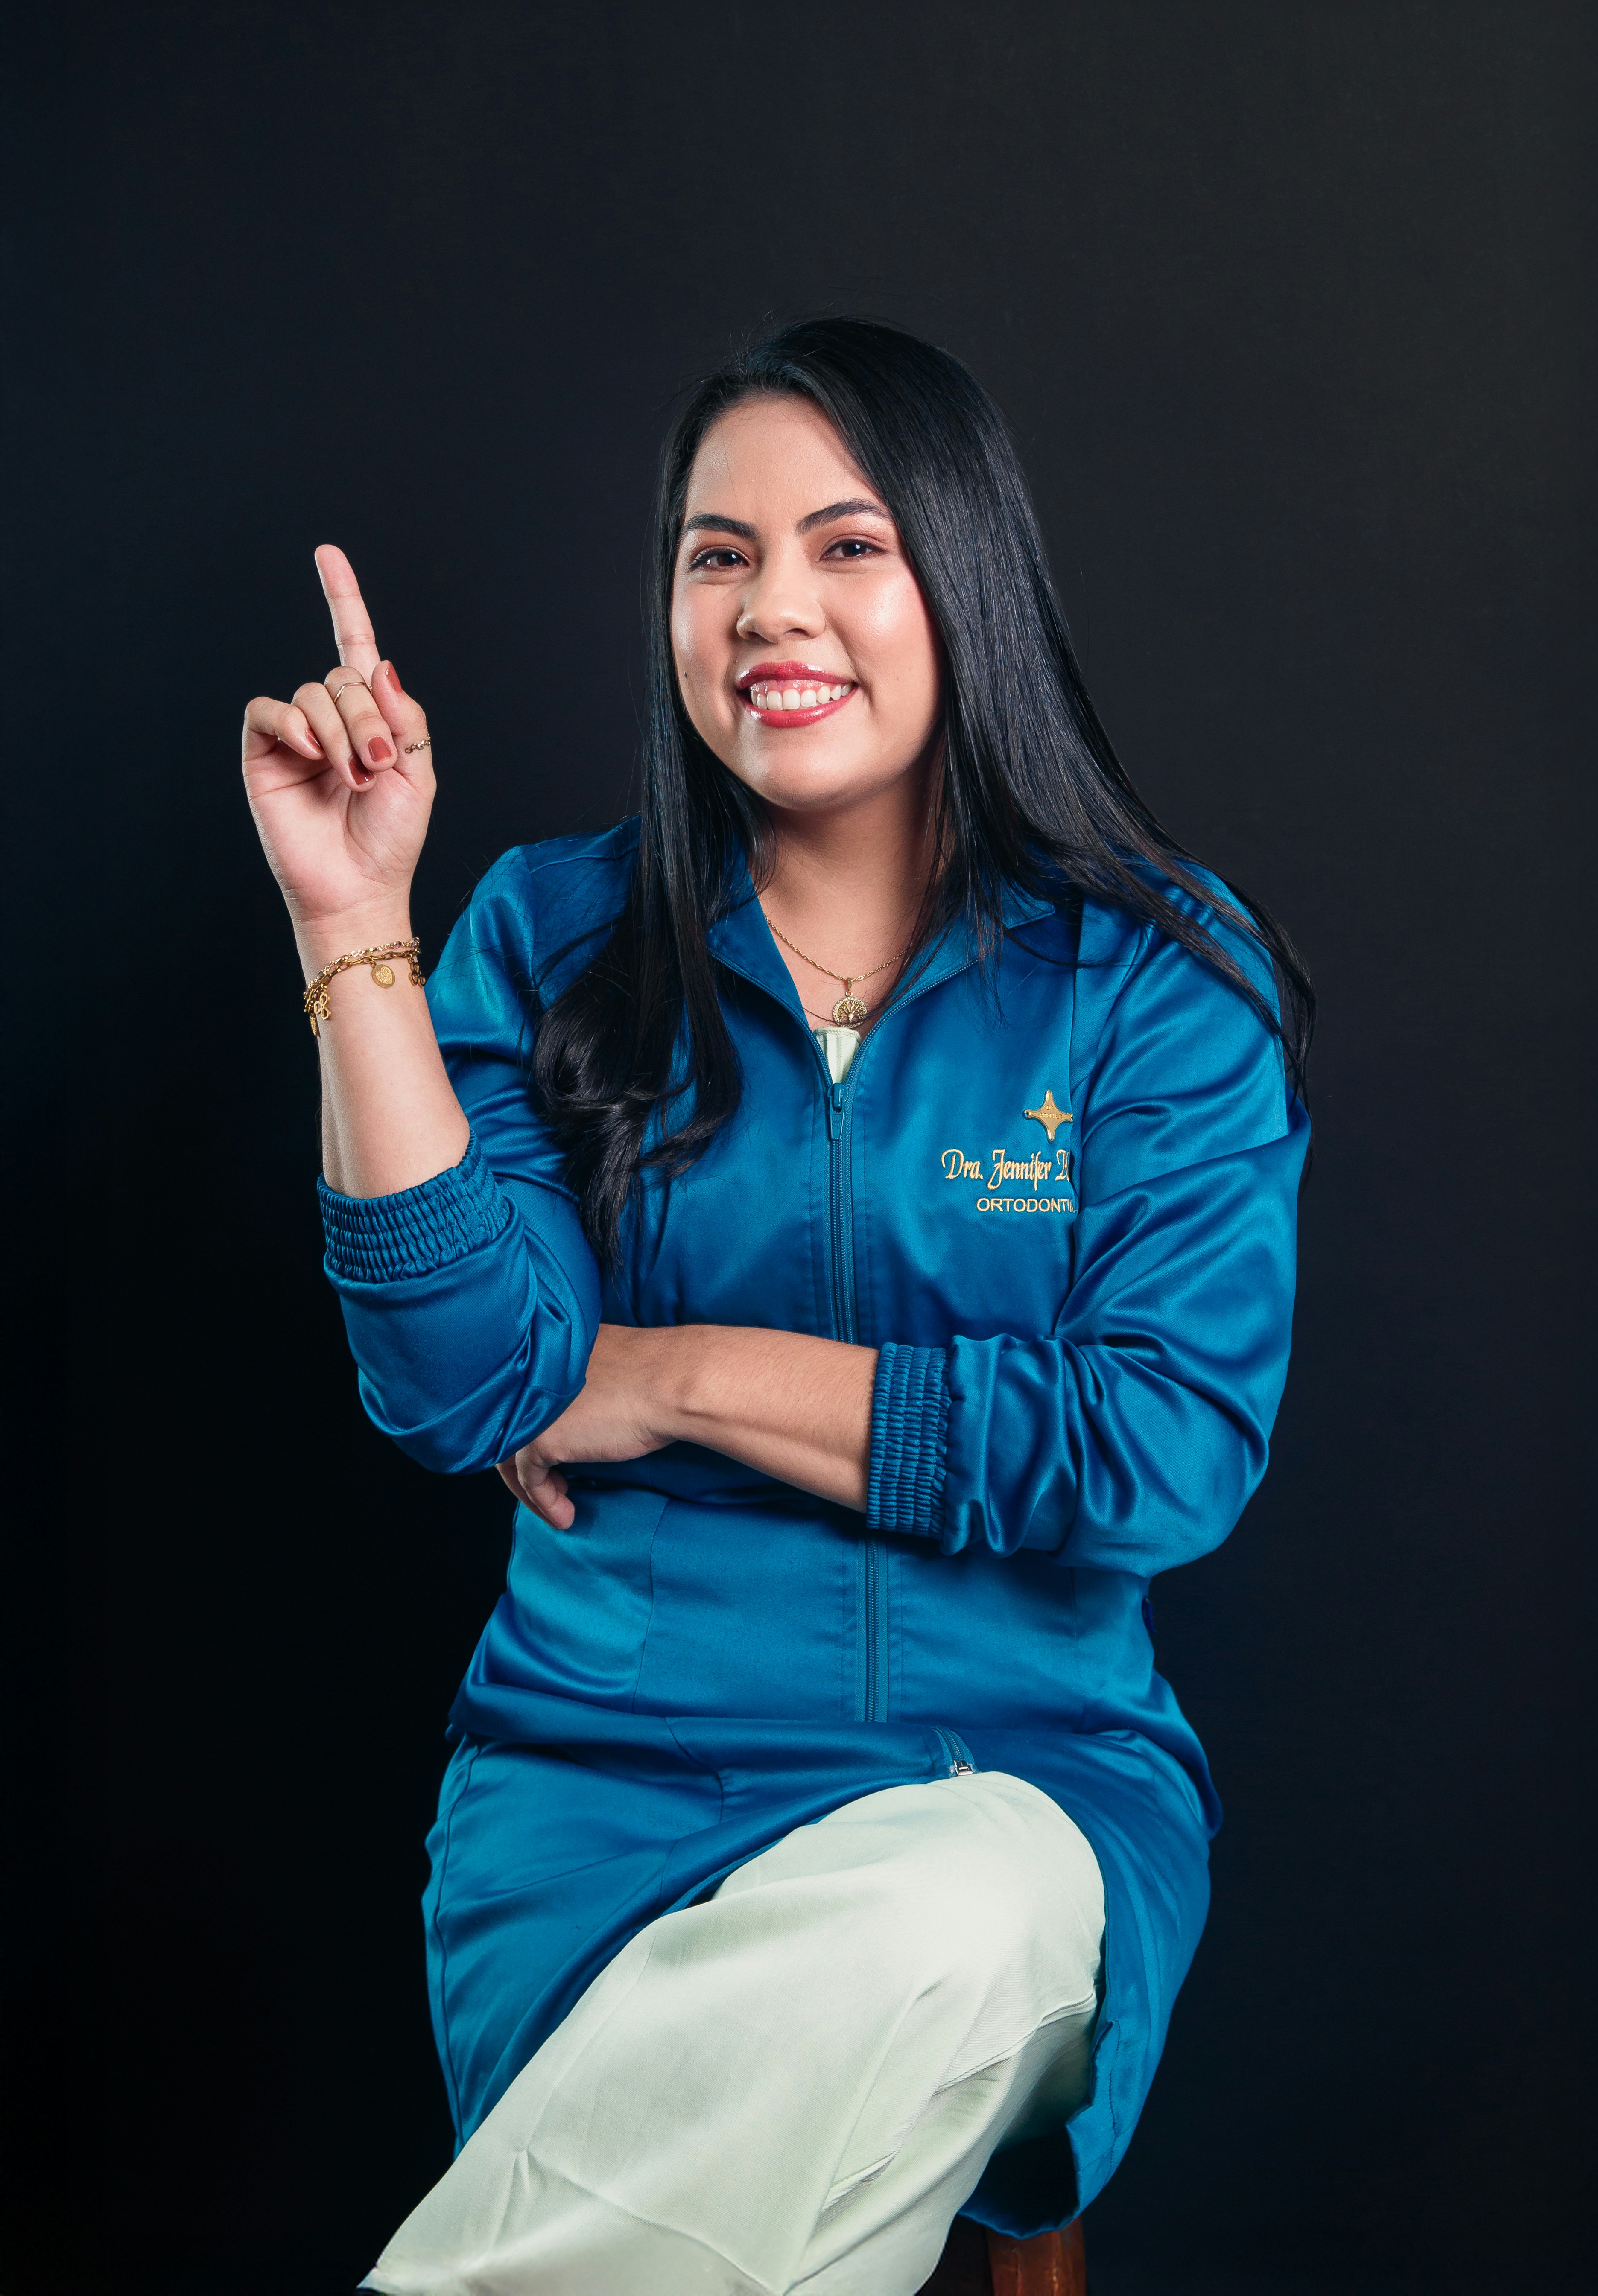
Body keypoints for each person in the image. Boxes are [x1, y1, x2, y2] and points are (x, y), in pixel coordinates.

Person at [242, 318, 1311, 2296]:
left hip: (1016, 1785)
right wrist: (354, 930)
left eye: (847, 545)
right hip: (604, 1797)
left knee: (947, 1919)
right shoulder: (551, 937)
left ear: (962, 579)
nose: (770, 609)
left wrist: (672, 1375)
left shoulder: (1150, 977)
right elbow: (467, 1379)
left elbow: (1156, 1446)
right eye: (714, 557)